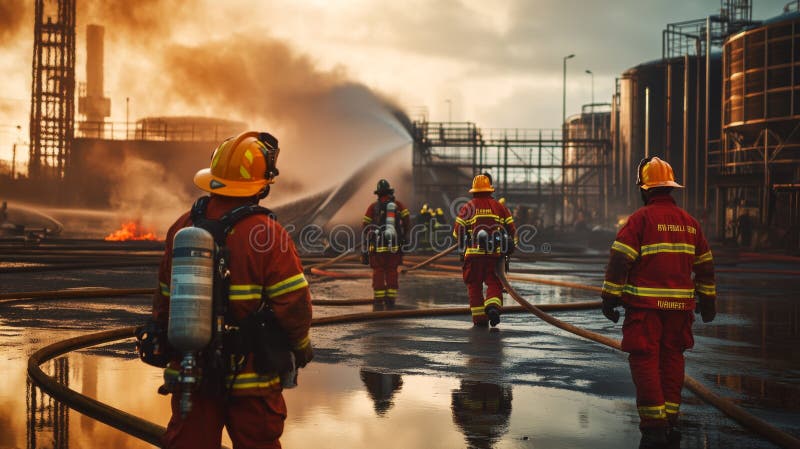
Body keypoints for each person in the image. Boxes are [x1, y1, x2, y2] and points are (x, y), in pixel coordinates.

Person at [150, 131, 313, 449]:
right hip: (250, 377)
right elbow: (293, 303)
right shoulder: (268, 234)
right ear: (262, 184)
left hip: (191, 370)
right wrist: (301, 345)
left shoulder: (183, 227)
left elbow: (165, 296)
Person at [600, 156, 716, 449]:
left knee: (645, 359)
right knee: (673, 359)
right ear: (670, 188)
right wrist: (708, 300)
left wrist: (610, 296)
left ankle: (653, 427)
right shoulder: (691, 224)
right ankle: (670, 419)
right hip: (680, 311)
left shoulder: (640, 220)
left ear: (645, 189)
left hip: (646, 310)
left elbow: (620, 259)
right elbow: (705, 265)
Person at [453, 174, 516, 327]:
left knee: (474, 285)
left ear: (474, 191)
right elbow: (512, 230)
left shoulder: (468, 207)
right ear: (490, 190)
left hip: (473, 256)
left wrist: (464, 239)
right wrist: (510, 247)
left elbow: (457, 232)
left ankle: (479, 319)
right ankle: (493, 307)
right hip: (494, 254)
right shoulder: (500, 207)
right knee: (494, 282)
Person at [362, 179, 410, 308]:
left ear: (378, 194)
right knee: (391, 270)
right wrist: (404, 235)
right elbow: (407, 221)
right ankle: (390, 299)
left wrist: (369, 237)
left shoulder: (373, 207)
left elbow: (365, 224)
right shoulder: (399, 205)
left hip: (377, 246)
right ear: (390, 192)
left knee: (378, 271)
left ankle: (378, 300)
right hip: (393, 246)